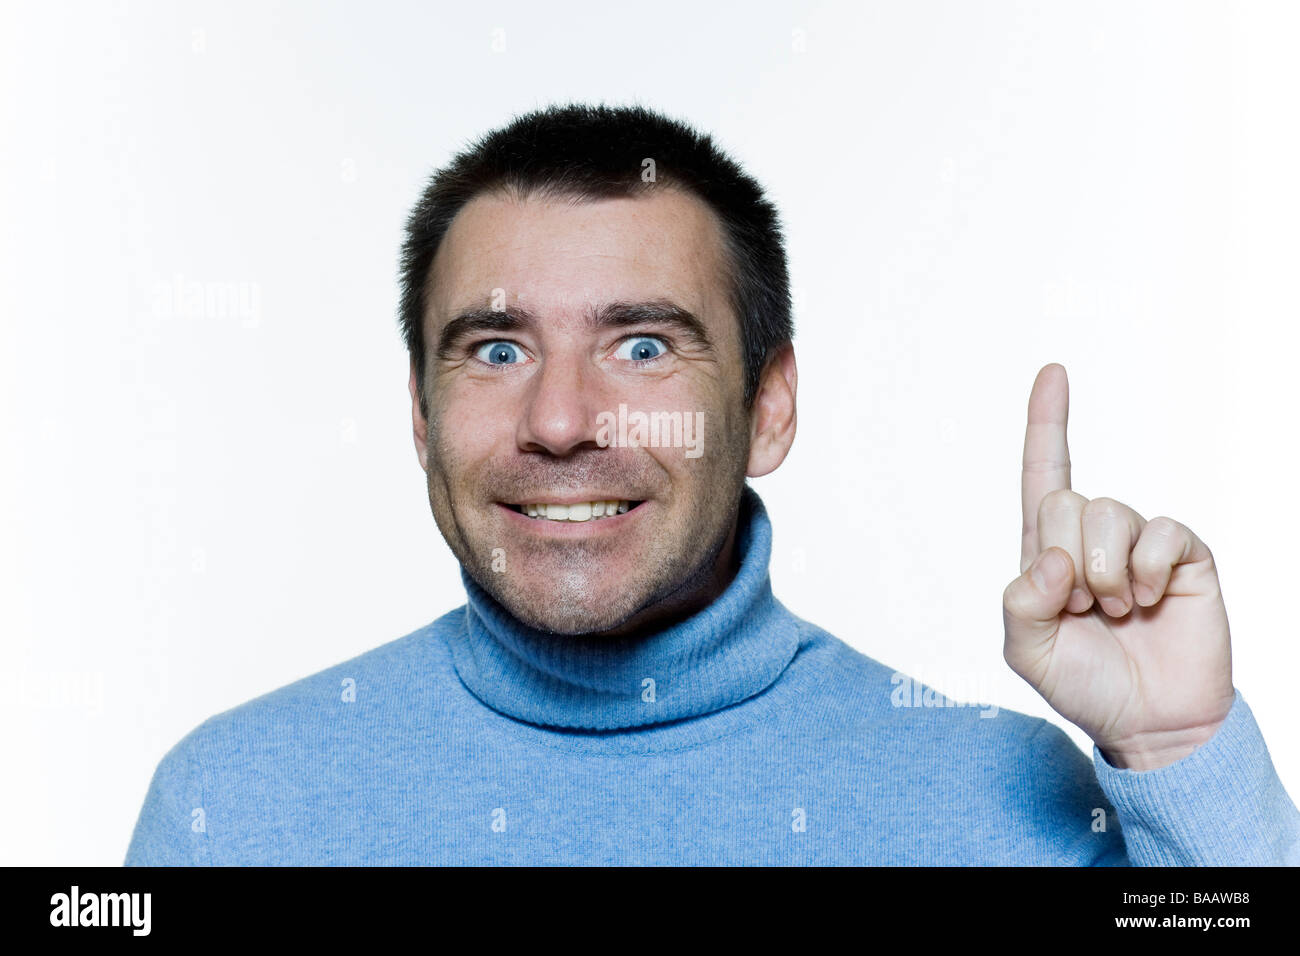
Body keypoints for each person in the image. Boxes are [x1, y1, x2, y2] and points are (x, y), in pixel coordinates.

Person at [125, 102, 1300, 865]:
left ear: (769, 407)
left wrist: (1181, 754)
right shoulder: (233, 806)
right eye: (495, 349)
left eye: (642, 345)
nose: (561, 420)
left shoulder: (1004, 806)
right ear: (420, 420)